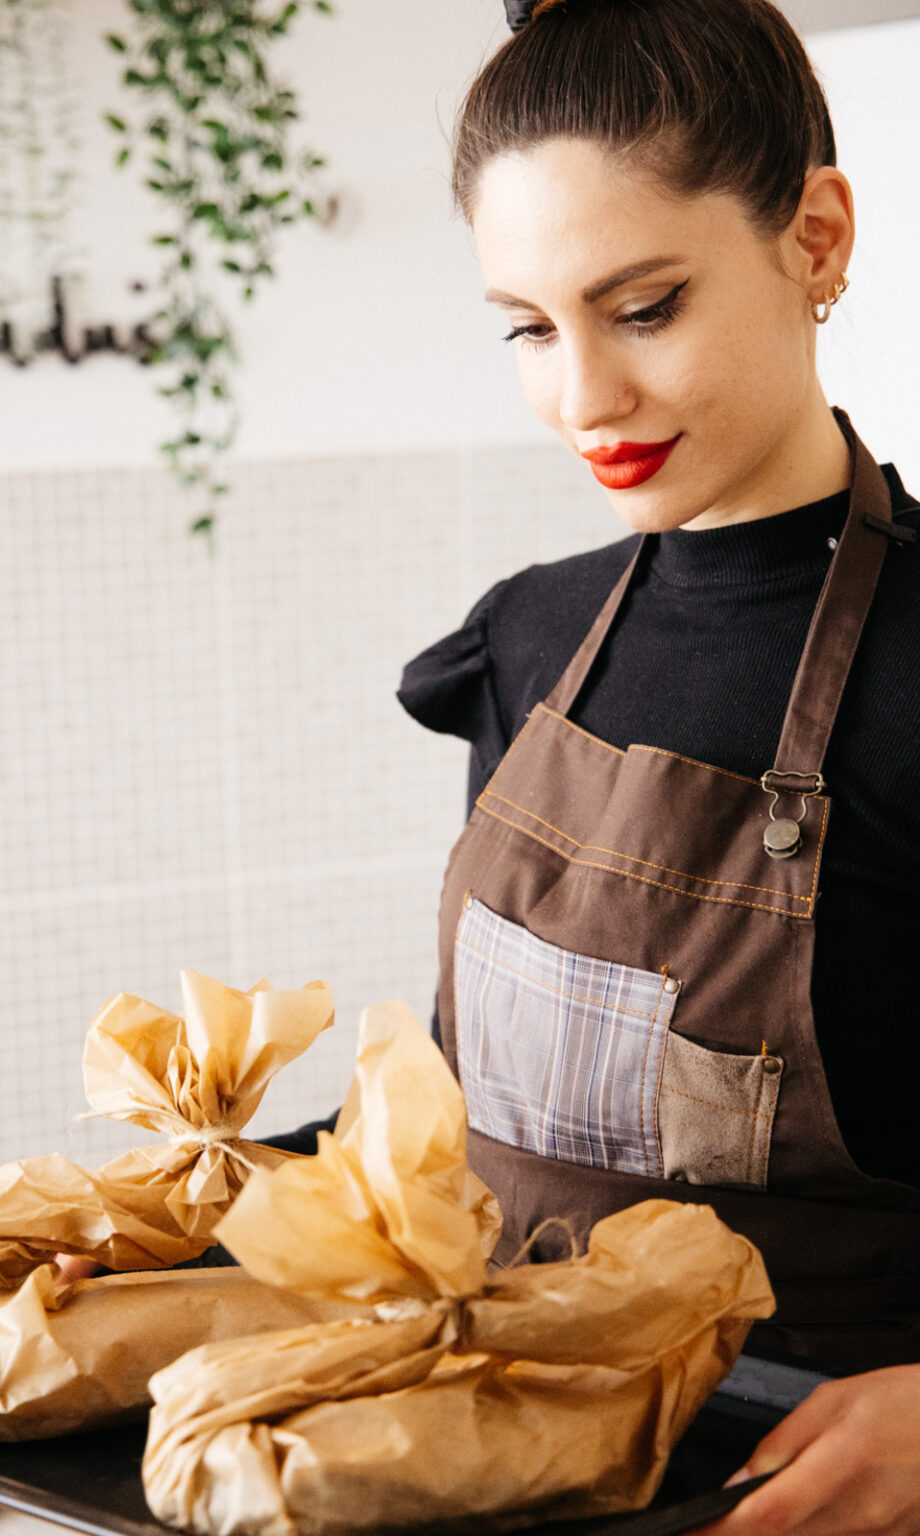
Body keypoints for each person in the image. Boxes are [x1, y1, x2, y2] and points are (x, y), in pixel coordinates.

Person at [394, 0, 920, 1530]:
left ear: (814, 239)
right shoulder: (525, 644)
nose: (583, 399)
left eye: (643, 306)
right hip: (496, 1467)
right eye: (527, 325)